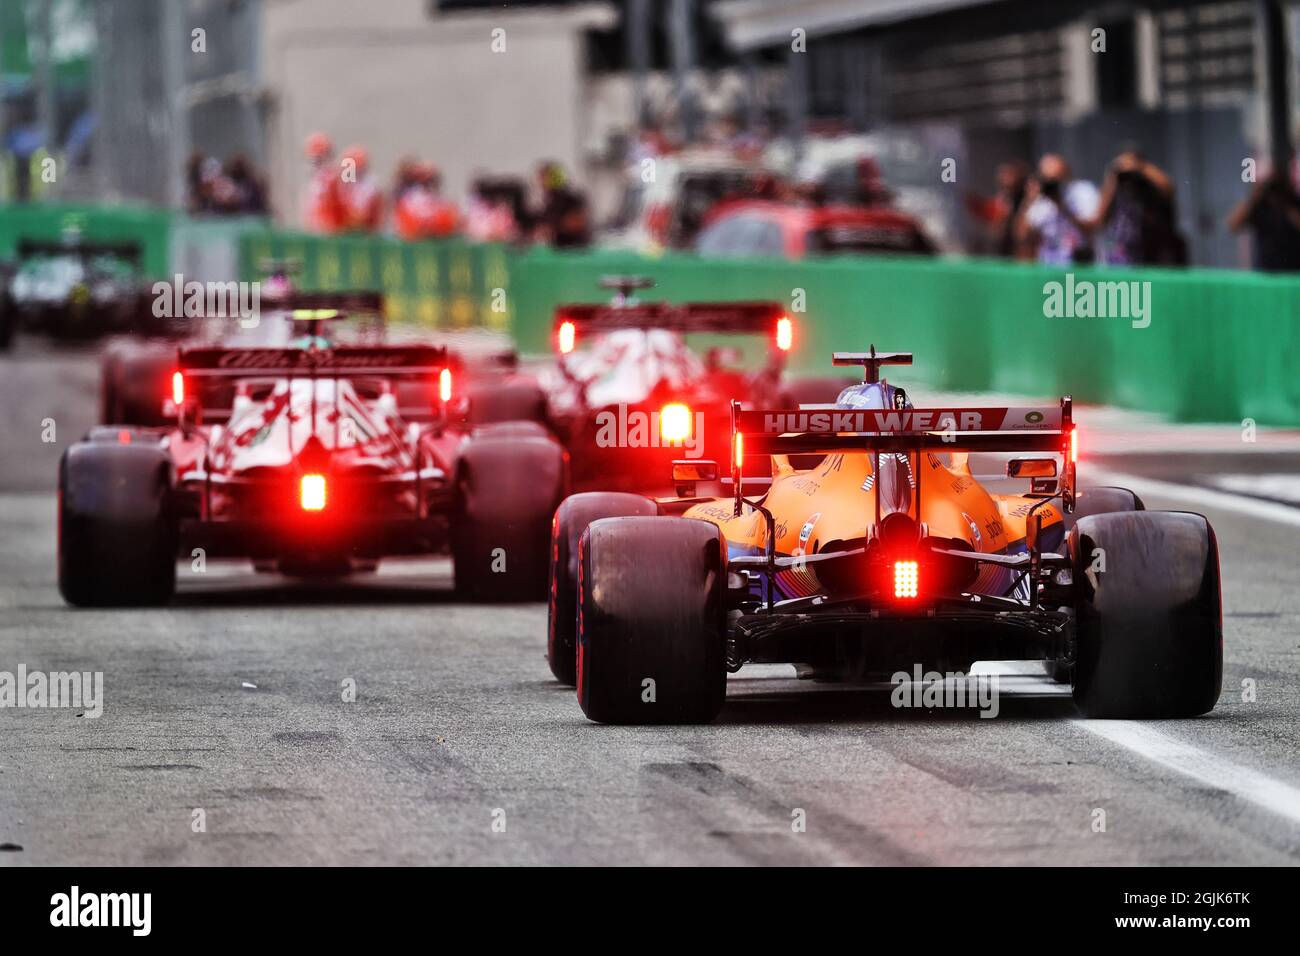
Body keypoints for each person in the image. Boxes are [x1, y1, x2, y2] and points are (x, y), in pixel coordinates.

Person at [1088, 148, 1184, 265]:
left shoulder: (1152, 186)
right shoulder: (1114, 189)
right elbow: (1099, 218)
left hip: (1149, 254)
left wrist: (1141, 167)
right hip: (1120, 254)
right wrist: (1114, 175)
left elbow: (1169, 189)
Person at [1015, 154, 1099, 265]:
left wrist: (1062, 206)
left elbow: (1092, 227)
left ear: (1067, 173)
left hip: (1080, 264)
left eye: (1055, 179)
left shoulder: (1082, 191)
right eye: (1046, 179)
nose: (1052, 184)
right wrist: (1028, 200)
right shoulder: (1040, 198)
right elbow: (1022, 235)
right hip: (1049, 268)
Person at [1227, 163, 1300, 272]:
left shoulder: (1293, 201)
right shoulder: (1260, 204)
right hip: (1264, 270)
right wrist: (1253, 197)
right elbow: (1232, 225)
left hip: (1292, 271)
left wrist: (1285, 202)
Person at [965, 160, 1029, 258]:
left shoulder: (1026, 203)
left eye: (1008, 174)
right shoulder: (1001, 201)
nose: (1003, 179)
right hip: (1000, 253)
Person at [533, 161, 591, 249]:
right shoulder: (549, 201)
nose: (540, 182)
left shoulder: (572, 198)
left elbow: (577, 224)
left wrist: (552, 229)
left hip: (574, 249)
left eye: (543, 177)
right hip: (558, 249)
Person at [302, 132, 345, 233]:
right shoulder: (315, 181)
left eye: (318, 160)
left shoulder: (333, 179)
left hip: (331, 232)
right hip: (316, 231)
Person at [337, 144, 383, 232]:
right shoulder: (342, 183)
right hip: (344, 229)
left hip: (365, 230)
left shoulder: (371, 186)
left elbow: (365, 214)